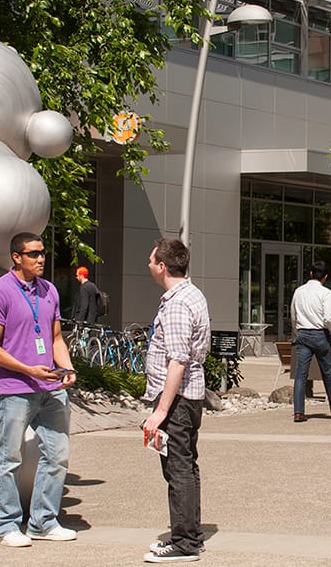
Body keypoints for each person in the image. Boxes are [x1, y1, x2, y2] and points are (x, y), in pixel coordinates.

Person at [0, 232, 77, 549]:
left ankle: (43, 522)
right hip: (15, 388)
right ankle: (6, 526)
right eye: (33, 254)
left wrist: (67, 368)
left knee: (58, 456)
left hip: (51, 387)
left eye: (42, 253)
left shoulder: (49, 291)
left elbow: (56, 338)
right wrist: (27, 369)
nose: (41, 259)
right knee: (9, 458)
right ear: (16, 257)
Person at [141, 237, 210, 564]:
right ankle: (189, 534)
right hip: (188, 397)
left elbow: (178, 361)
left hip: (179, 400)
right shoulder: (189, 294)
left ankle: (184, 543)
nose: (149, 265)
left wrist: (160, 411)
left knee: (178, 468)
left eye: (151, 260)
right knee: (186, 466)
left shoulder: (179, 303)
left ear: (163, 266)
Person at [290, 260, 331, 422]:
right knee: (328, 373)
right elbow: (328, 317)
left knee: (301, 374)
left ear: (310, 273)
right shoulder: (326, 293)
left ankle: (298, 412)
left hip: (302, 334)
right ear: (326, 277)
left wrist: (296, 332)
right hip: (320, 334)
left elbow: (293, 315)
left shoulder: (298, 292)